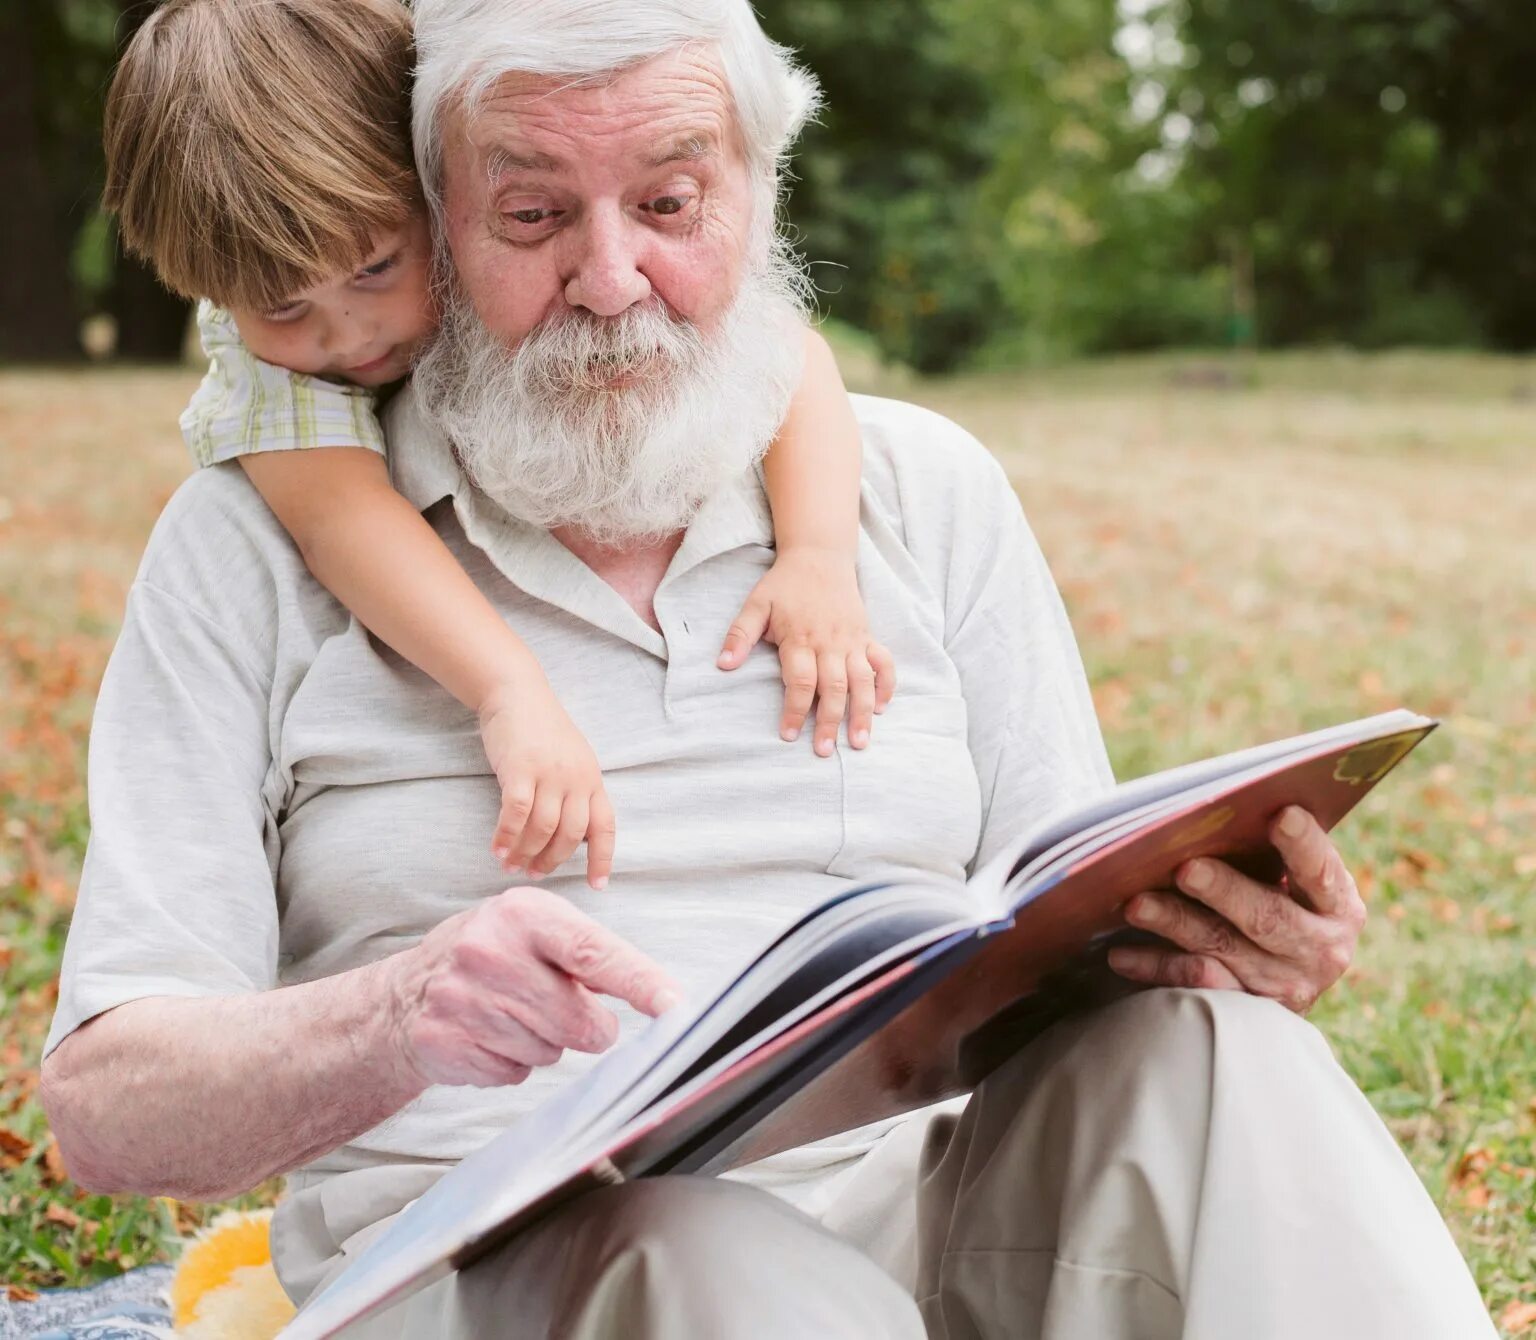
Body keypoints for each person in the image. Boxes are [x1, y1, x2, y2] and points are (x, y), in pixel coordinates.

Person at [40, 0, 1497, 1336]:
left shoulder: (916, 488)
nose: (614, 281)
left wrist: (1218, 937)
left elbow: (1073, 931)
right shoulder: (251, 540)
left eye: (672, 203)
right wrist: (395, 1017)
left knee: (1221, 1061)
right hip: (493, 1273)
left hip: (924, 1218)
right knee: (692, 1253)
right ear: (440, 202)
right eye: (534, 211)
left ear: (758, 189)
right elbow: (108, 1117)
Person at [101, 0, 893, 891]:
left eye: (375, 270)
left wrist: (819, 555)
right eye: (282, 308)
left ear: (427, 190)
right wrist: (508, 689)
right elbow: (346, 524)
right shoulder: (269, 377)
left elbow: (792, 358)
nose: (348, 334)